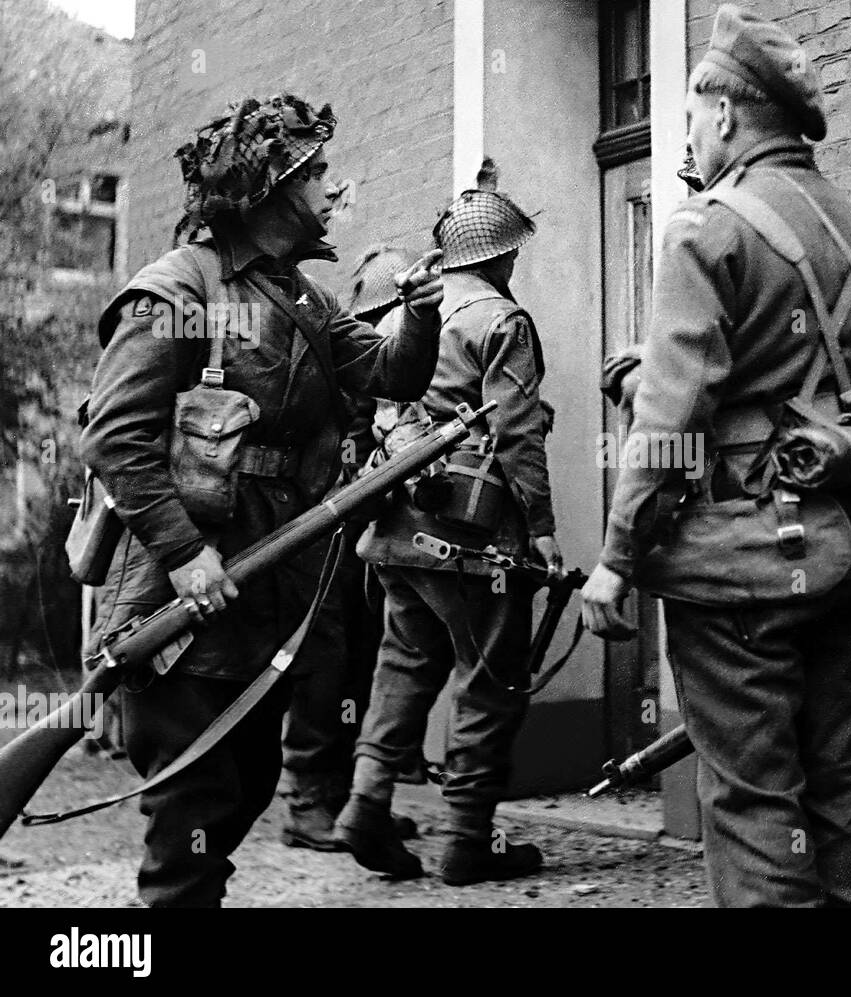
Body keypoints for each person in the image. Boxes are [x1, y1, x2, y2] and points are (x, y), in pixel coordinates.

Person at [581, 5, 851, 907]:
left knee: (752, 795)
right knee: (847, 781)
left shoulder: (707, 231)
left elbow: (669, 424)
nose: (692, 139)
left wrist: (616, 561)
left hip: (741, 569)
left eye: (696, 119)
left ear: (727, 114)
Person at [83, 93, 444, 907]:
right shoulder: (175, 291)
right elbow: (115, 439)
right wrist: (181, 553)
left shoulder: (306, 301)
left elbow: (388, 373)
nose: (331, 188)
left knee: (248, 784)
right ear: (270, 189)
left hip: (268, 594)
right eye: (314, 172)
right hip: (186, 600)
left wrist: (420, 313)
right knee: (193, 813)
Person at [334, 160, 561, 885]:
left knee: (403, 665)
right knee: (491, 677)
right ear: (497, 254)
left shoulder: (413, 312)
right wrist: (546, 529)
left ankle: (366, 804)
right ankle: (467, 840)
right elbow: (518, 430)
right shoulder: (503, 319)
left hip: (400, 523)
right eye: (513, 252)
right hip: (473, 532)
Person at [278, 246, 423, 850]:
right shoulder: (335, 358)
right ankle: (307, 800)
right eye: (384, 311)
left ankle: (344, 801)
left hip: (364, 531)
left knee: (361, 659)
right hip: (323, 529)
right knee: (323, 662)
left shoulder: (388, 367)